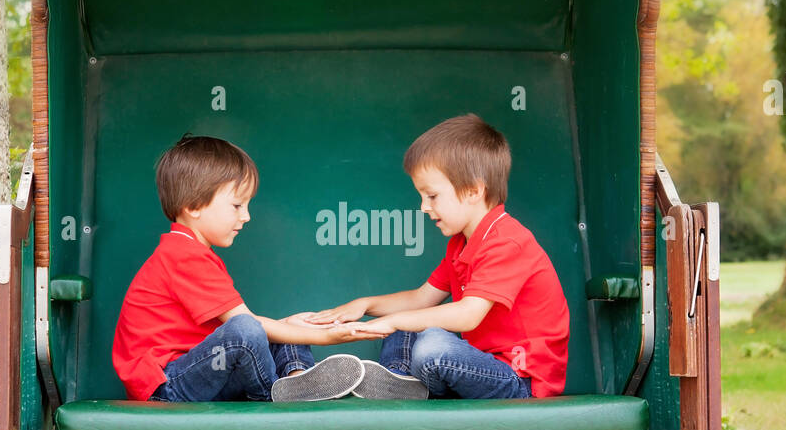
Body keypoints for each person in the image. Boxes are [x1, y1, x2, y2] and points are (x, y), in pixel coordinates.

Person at [305, 114, 570, 400]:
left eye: (432, 196)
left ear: (473, 190)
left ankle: (403, 380)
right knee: (408, 321)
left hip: (519, 382)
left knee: (431, 343)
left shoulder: (507, 241)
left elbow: (468, 315)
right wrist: (365, 305)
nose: (423, 207)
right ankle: (396, 380)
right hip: (481, 366)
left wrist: (394, 322)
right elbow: (421, 299)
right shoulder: (461, 243)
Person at [112, 134, 365, 404]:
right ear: (193, 206)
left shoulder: (194, 251)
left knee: (285, 328)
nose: (246, 216)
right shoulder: (182, 255)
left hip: (205, 374)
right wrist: (325, 336)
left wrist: (290, 326)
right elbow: (244, 326)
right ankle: (273, 396)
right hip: (169, 385)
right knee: (247, 329)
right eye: (237, 205)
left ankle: (297, 378)